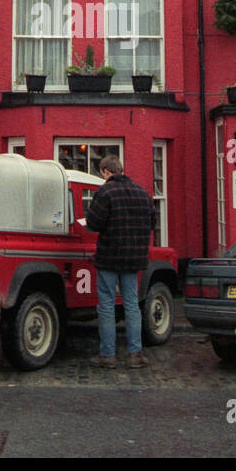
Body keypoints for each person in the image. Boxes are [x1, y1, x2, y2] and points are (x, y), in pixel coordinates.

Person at [85, 155, 157, 368]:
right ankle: (135, 354)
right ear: (121, 170)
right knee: (132, 305)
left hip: (109, 256)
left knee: (106, 305)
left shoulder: (105, 192)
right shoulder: (143, 193)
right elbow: (152, 222)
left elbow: (93, 223)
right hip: (134, 257)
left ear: (106, 171)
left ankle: (108, 355)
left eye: (102, 173)